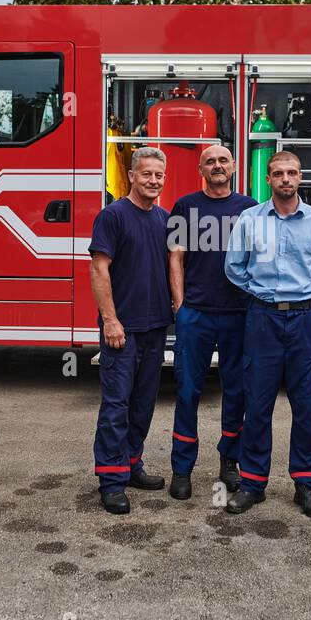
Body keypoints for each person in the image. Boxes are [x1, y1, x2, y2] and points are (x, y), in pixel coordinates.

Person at [223, 151, 311, 519]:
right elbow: (234, 267)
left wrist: (305, 291)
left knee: (306, 404)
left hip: (304, 319)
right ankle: (253, 483)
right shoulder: (250, 219)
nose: (285, 179)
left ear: (300, 177)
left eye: (291, 173)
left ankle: (306, 484)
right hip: (262, 320)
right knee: (257, 403)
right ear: (268, 179)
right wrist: (264, 294)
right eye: (278, 174)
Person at [166, 145, 257, 500]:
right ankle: (182, 468)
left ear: (233, 166)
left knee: (237, 391)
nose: (217, 165)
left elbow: (257, 260)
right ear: (200, 168)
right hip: (197, 315)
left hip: (238, 315)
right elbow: (175, 257)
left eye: (223, 160)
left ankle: (228, 463)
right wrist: (180, 306)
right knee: (188, 391)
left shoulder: (249, 209)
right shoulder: (184, 207)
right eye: (210, 161)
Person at [88, 147, 172, 515]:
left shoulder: (164, 219)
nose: (153, 180)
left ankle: (131, 463)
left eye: (159, 175)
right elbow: (99, 269)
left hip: (154, 328)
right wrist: (110, 320)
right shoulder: (113, 216)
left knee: (143, 403)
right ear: (133, 176)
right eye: (146, 174)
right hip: (122, 330)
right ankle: (111, 479)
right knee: (116, 405)